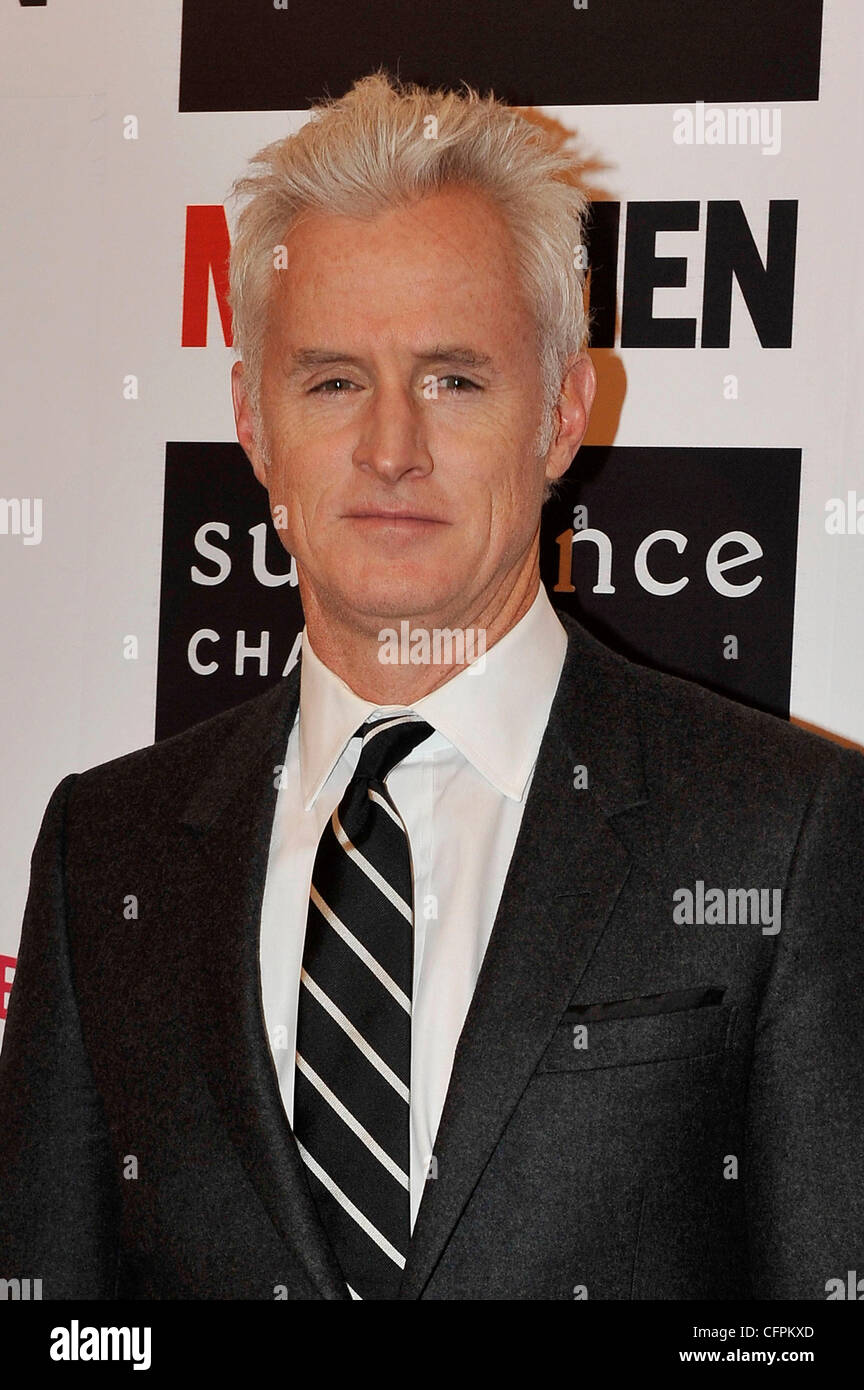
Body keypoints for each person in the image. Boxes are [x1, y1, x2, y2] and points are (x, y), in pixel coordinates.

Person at [1, 70, 862, 1301]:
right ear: (252, 420)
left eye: (455, 378)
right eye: (333, 379)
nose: (391, 448)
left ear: (563, 413)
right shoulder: (108, 850)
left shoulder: (787, 831)